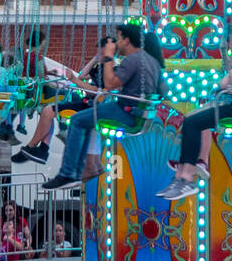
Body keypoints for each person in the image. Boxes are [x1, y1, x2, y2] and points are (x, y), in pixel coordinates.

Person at [45, 24, 161, 191]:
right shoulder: (152, 62)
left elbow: (108, 85)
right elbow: (161, 90)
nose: (117, 43)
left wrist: (108, 57)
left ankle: (68, 173)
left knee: (77, 119)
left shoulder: (133, 60)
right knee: (86, 119)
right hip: (133, 110)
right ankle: (83, 168)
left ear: (127, 41)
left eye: (119, 39)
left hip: (126, 112)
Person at [160, 19, 232, 201]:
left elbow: (227, 80)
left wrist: (220, 85)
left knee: (192, 123)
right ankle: (193, 165)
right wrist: (228, 55)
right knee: (194, 118)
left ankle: (187, 176)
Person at [12, 36, 113, 165]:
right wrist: (94, 59)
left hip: (93, 106)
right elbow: (82, 76)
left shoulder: (109, 70)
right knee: (47, 111)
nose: (98, 54)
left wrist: (74, 80)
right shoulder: (100, 67)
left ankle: (32, 148)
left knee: (51, 106)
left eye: (100, 51)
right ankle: (42, 149)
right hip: (84, 102)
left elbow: (95, 91)